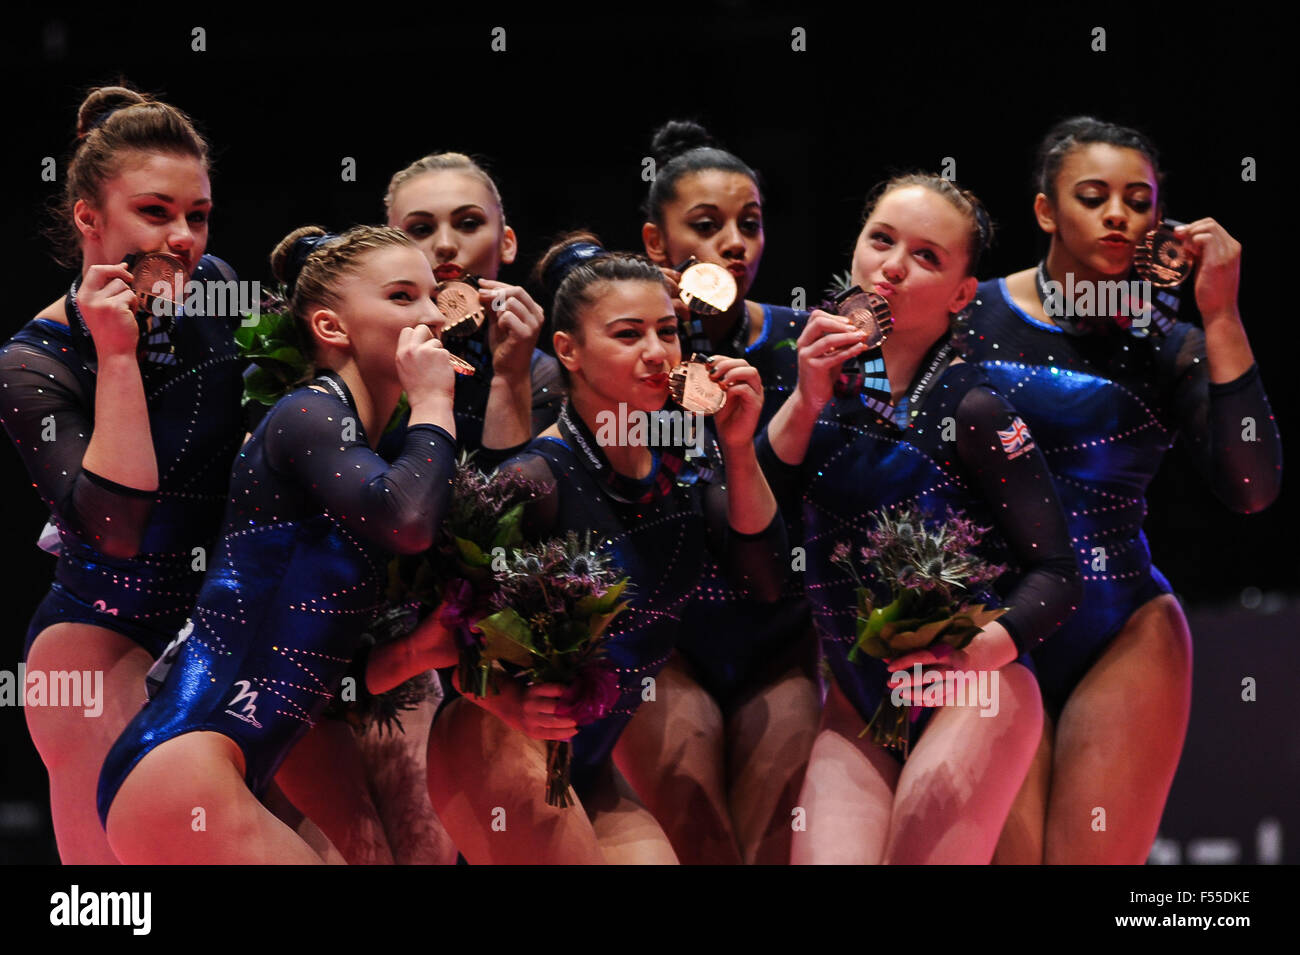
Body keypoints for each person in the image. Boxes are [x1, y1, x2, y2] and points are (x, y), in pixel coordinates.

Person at [962, 117, 1283, 864]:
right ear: (1046, 211)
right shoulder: (968, 316)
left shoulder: (1167, 341)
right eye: (1094, 195)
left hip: (1124, 628)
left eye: (1138, 201)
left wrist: (1222, 312)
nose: (1118, 214)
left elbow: (1252, 487)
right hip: (992, 627)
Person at [96, 225, 461, 863]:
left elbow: (324, 648)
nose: (432, 316)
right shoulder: (310, 414)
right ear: (331, 328)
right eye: (403, 297)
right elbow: (407, 522)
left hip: (211, 767)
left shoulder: (359, 447)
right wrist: (433, 400)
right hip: (189, 764)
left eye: (434, 296)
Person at [426, 235, 788, 863]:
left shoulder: (683, 469)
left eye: (668, 332)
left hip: (587, 764)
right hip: (497, 742)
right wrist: (510, 699)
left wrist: (738, 447)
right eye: (628, 335)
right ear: (567, 350)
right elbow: (443, 633)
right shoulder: (533, 482)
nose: (656, 354)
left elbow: (764, 579)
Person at [762, 174, 1081, 863]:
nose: (893, 266)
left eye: (927, 256)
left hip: (977, 689)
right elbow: (744, 543)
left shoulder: (975, 409)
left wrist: (975, 654)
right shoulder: (811, 397)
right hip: (855, 707)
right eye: (880, 239)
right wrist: (802, 404)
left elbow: (1058, 572)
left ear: (964, 295)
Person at [0, 85, 244, 863]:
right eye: (155, 212)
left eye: (196, 215)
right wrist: (114, 353)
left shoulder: (219, 292)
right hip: (103, 643)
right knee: (116, 901)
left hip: (230, 623)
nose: (182, 238)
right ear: (88, 218)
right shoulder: (31, 361)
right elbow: (115, 526)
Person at [615, 120, 817, 863]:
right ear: (655, 243)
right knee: (698, 845)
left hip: (781, 637)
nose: (736, 241)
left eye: (750, 223)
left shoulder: (804, 344)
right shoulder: (623, 349)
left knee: (771, 847)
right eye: (707, 225)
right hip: (666, 642)